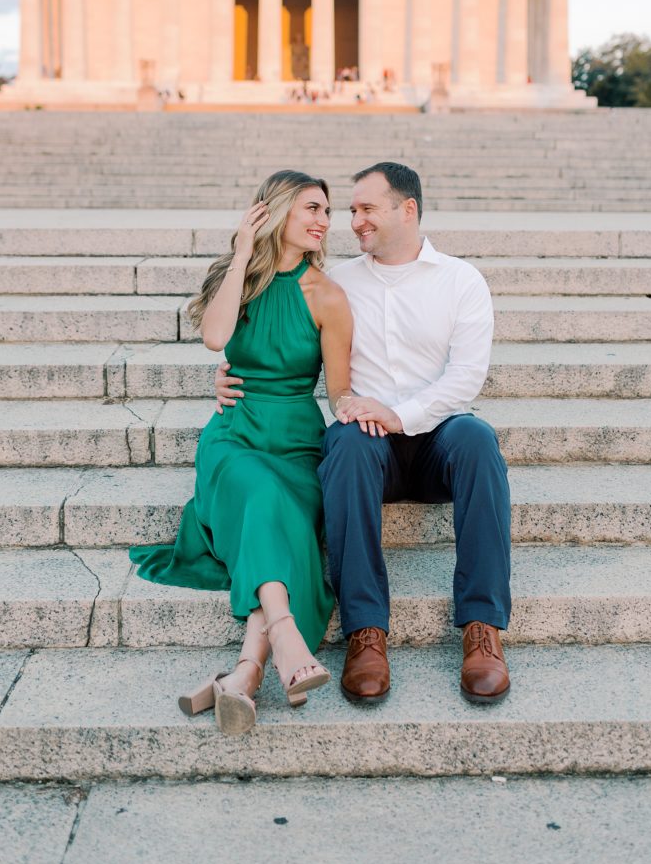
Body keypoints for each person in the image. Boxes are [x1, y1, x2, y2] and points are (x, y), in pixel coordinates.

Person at [216, 162, 511, 707]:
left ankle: (482, 629)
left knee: (479, 440)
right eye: (351, 211)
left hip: (437, 438)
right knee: (346, 443)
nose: (353, 222)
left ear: (408, 210)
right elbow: (274, 332)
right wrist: (234, 376)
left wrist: (403, 414)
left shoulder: (461, 280)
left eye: (366, 209)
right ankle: (365, 633)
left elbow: (467, 377)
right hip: (368, 446)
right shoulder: (339, 282)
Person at [130, 170, 354, 735]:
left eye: (326, 211)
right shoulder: (240, 280)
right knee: (259, 496)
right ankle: (284, 631)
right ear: (274, 212)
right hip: (235, 434)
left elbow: (340, 390)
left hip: (299, 442)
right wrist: (241, 254)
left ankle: (242, 677)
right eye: (310, 208)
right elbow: (215, 337)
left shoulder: (327, 294)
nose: (323, 220)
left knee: (280, 516)